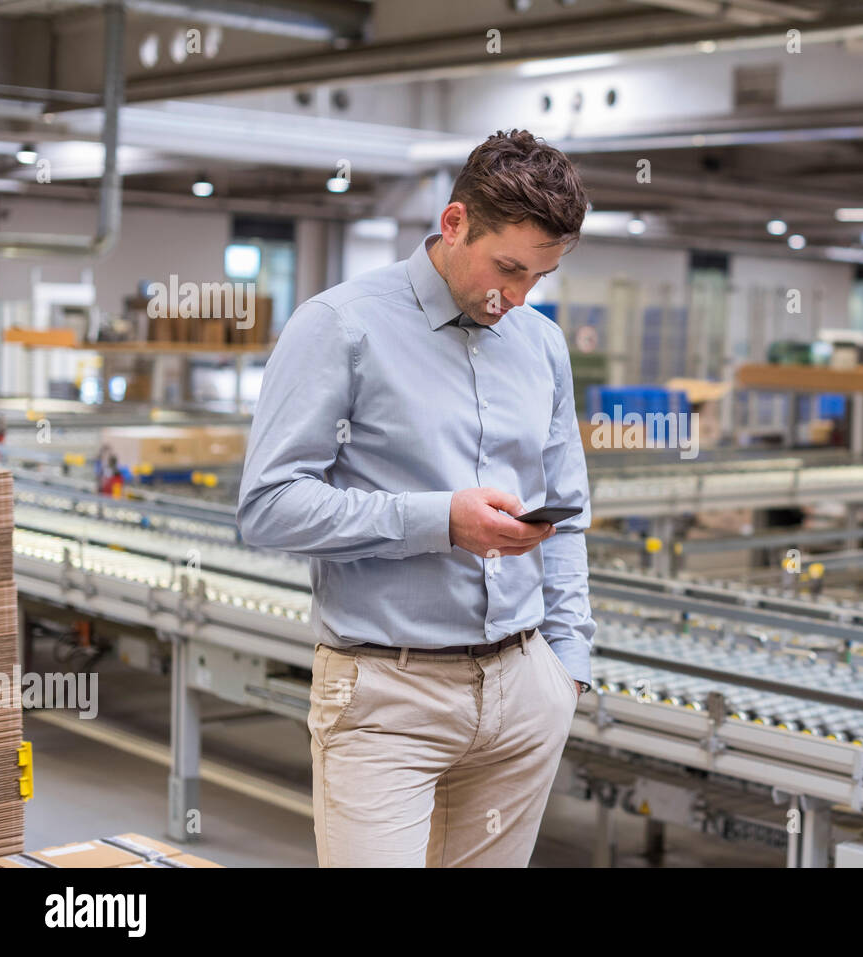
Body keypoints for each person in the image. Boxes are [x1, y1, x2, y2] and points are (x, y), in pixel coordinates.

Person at [237, 129, 595, 867]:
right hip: (386, 697)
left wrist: (567, 661)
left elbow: (567, 511)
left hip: (525, 685)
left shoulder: (541, 344)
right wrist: (441, 521)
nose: (517, 298)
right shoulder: (340, 327)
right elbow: (268, 506)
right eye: (507, 269)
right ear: (455, 222)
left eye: (539, 277)